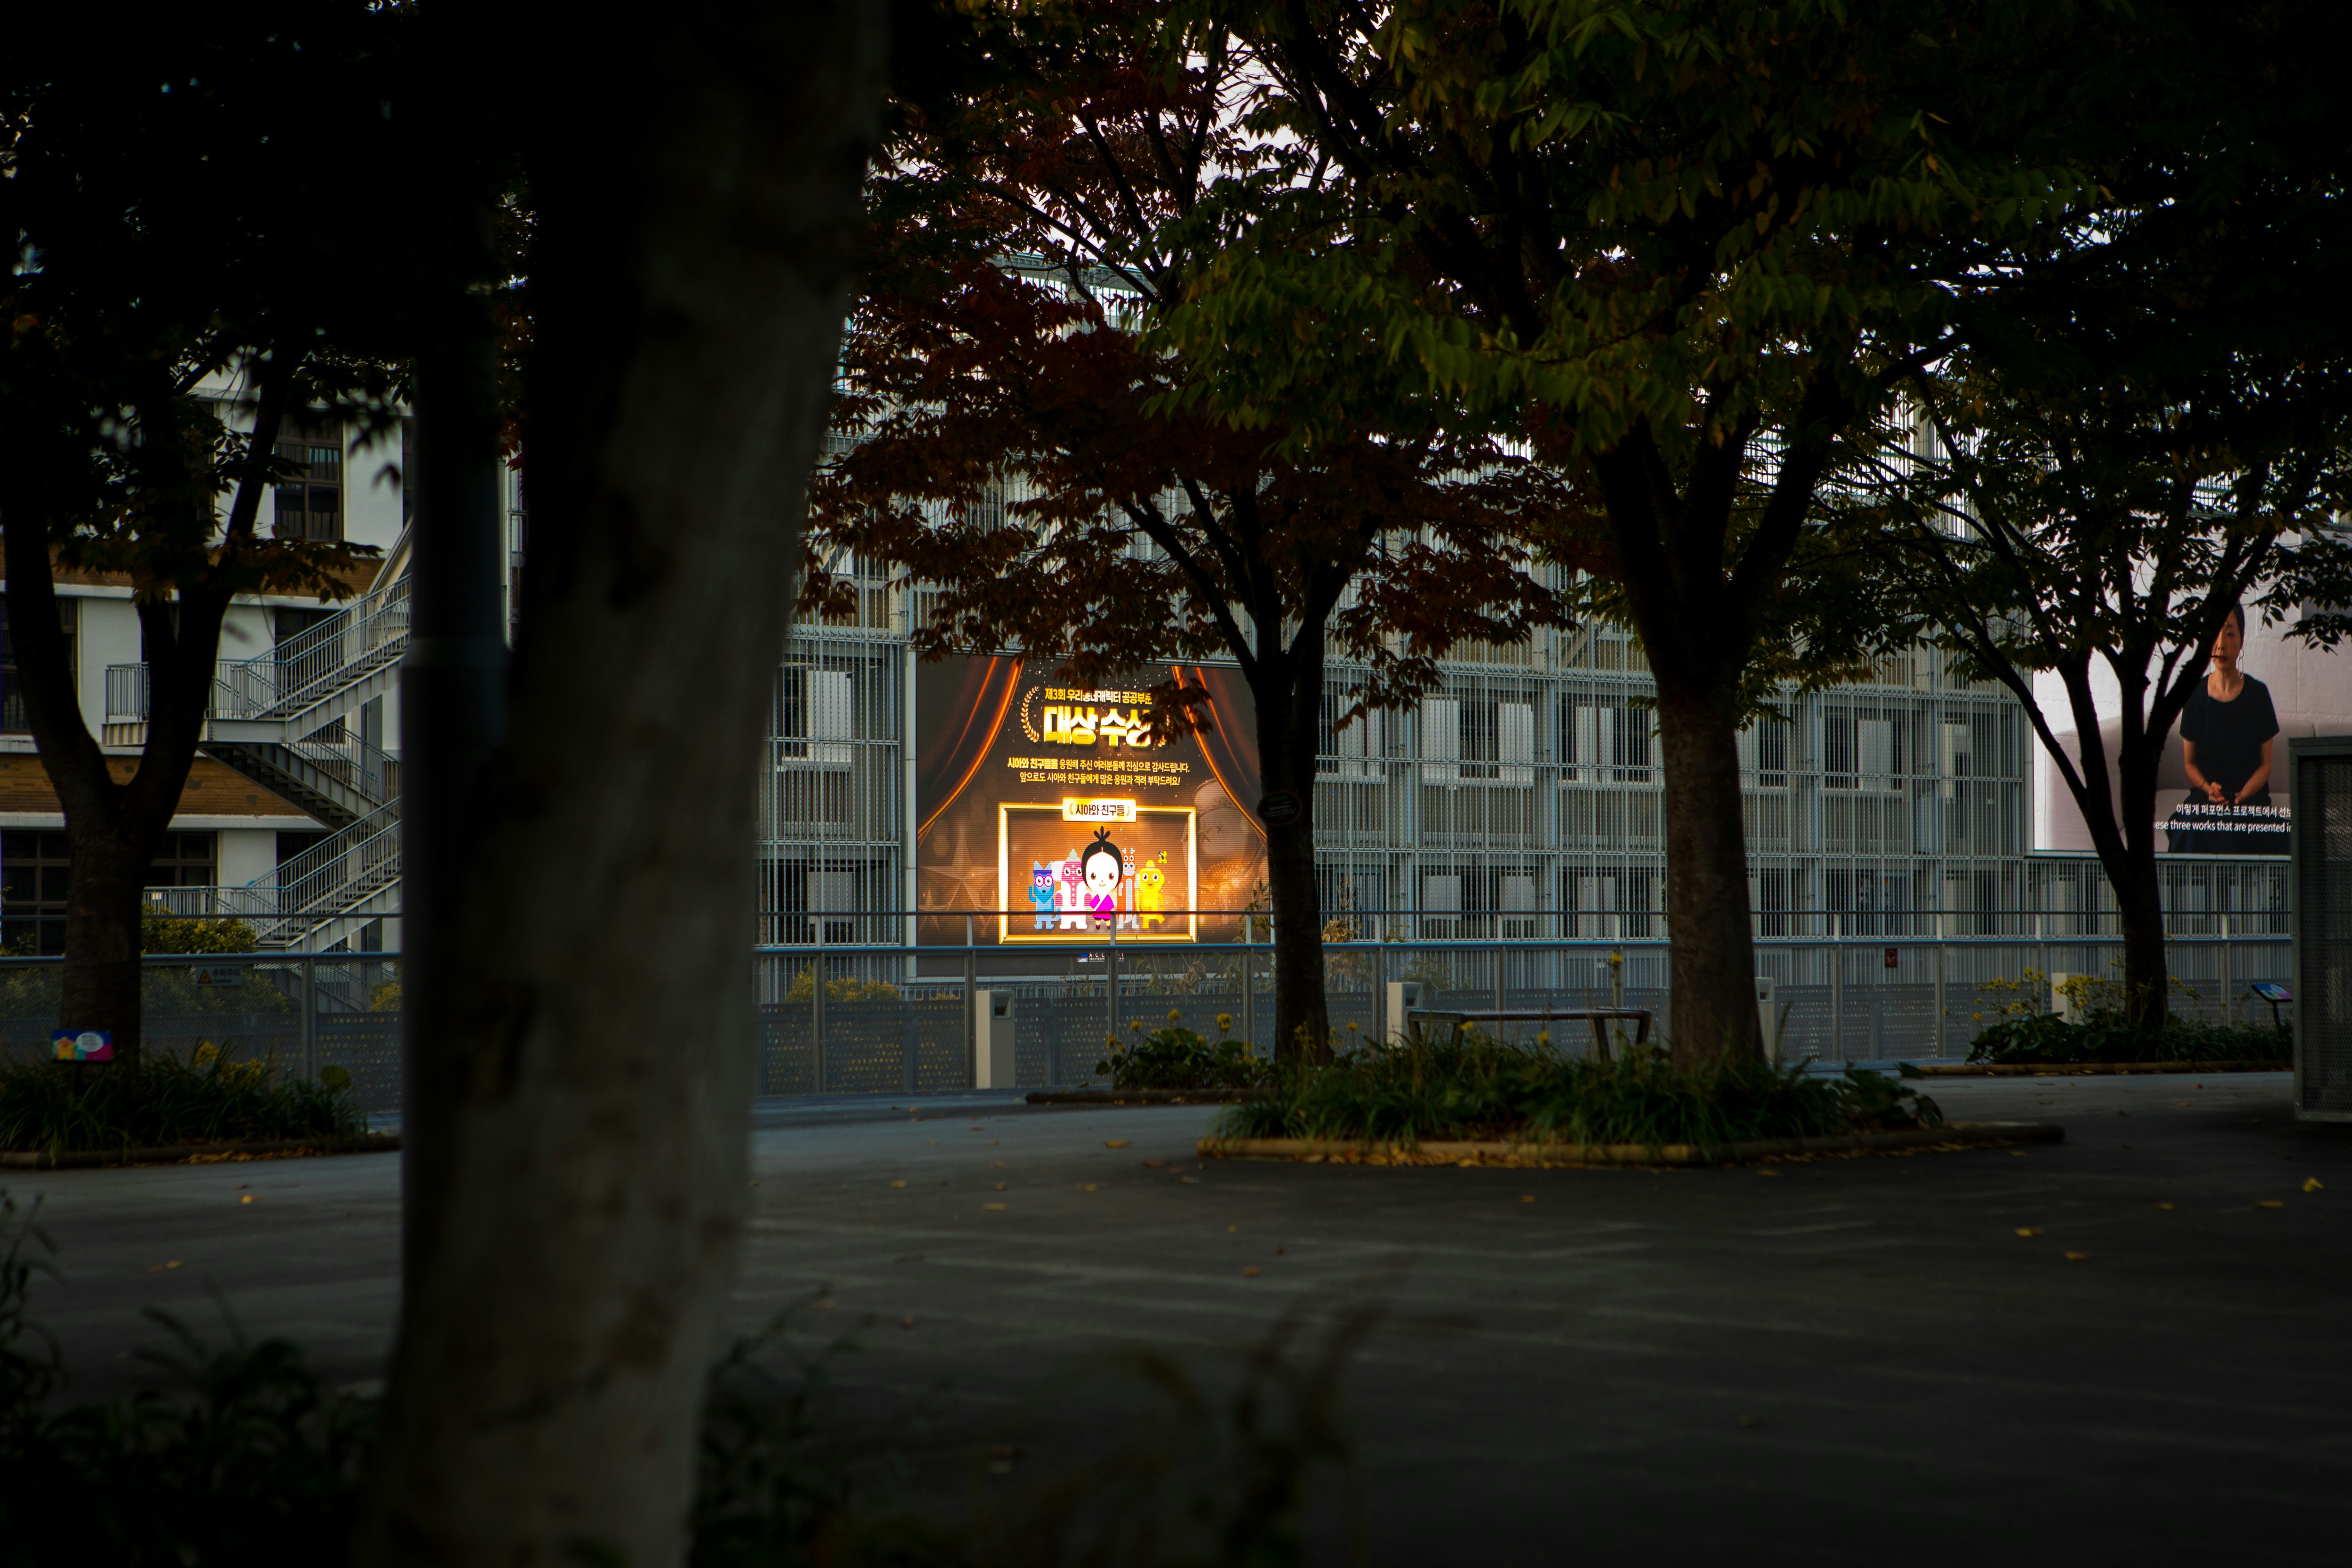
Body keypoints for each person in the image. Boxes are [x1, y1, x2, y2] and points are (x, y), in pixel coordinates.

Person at [2176, 603, 2283, 853]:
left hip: (2250, 798)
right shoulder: (2194, 694)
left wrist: (2241, 796)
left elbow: (2266, 765)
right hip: (2206, 798)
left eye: (2230, 633)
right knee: (2192, 825)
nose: (2221, 644)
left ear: (2242, 641)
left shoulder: (2258, 694)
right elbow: (2190, 764)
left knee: (2257, 830)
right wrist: (2208, 788)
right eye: (2215, 633)